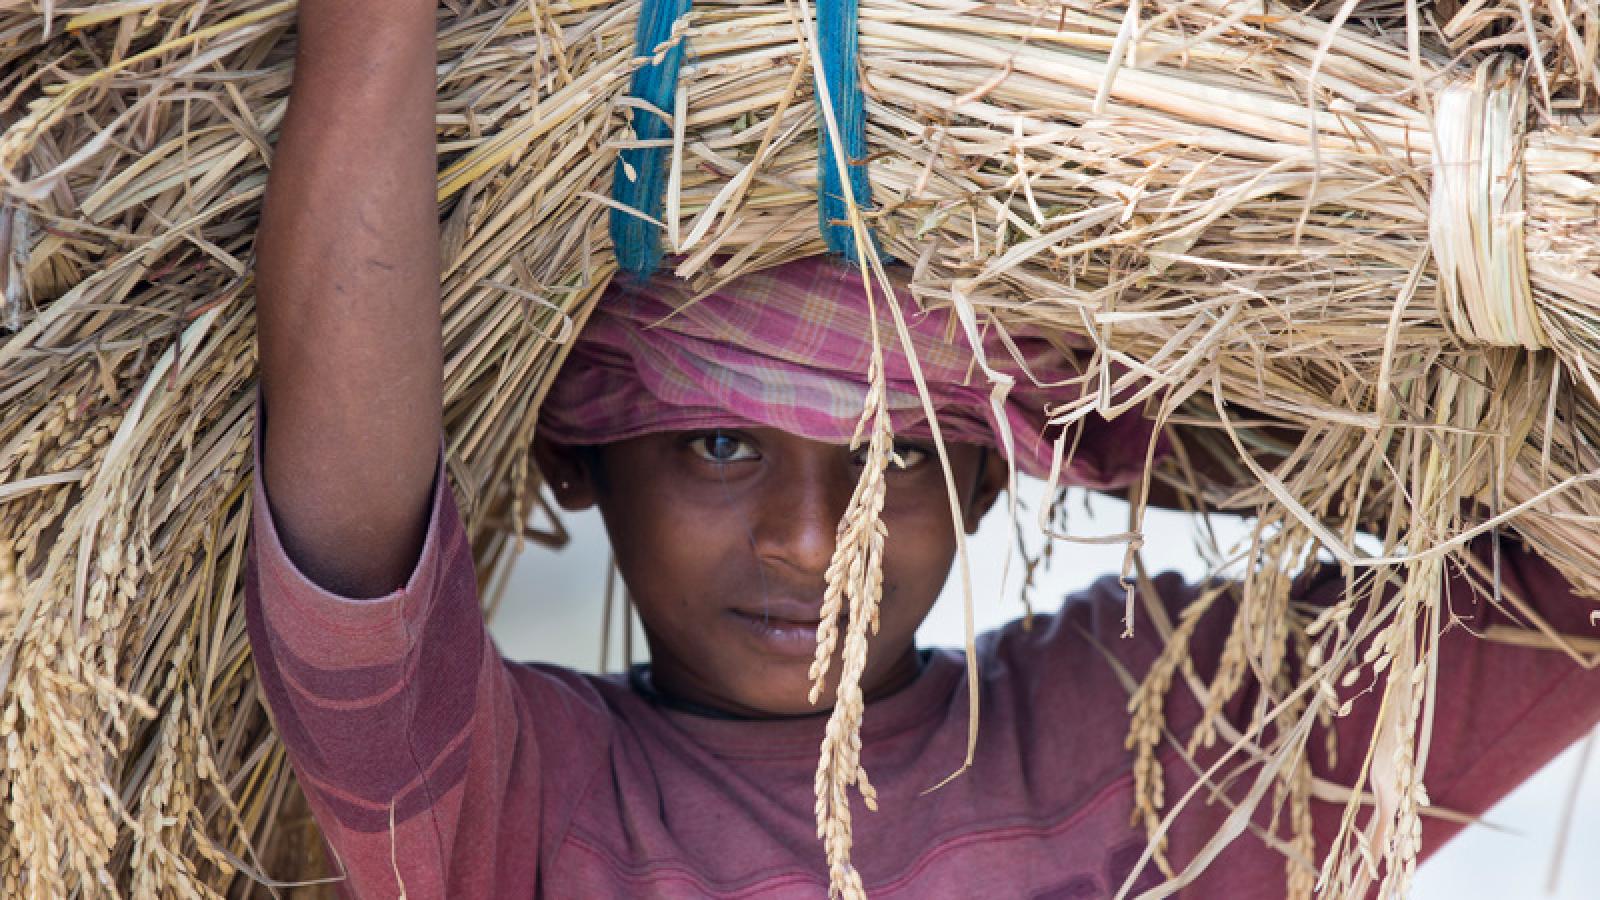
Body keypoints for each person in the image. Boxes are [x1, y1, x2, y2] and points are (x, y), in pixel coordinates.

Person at [247, 1, 1600, 897]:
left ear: (991, 474)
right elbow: (356, 563)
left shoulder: (1149, 744)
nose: (810, 543)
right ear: (577, 462)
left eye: (899, 458)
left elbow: (1570, 579)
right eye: (718, 445)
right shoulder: (527, 814)